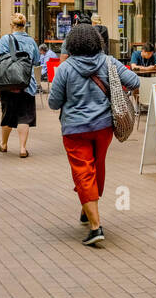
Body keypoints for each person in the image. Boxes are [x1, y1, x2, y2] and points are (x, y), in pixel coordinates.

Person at [48, 22, 140, 247]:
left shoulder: (66, 68)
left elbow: (53, 102)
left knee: (83, 172)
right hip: (103, 127)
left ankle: (95, 227)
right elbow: (135, 81)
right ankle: (86, 208)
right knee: (97, 167)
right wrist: (114, 88)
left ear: (72, 43)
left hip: (75, 129)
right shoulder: (109, 62)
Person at [0, 14, 41, 158]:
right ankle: (22, 148)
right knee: (24, 116)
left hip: (8, 83)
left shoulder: (5, 39)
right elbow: (37, 61)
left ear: (12, 25)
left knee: (7, 114)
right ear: (24, 25)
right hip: (27, 83)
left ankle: (4, 144)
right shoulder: (31, 41)